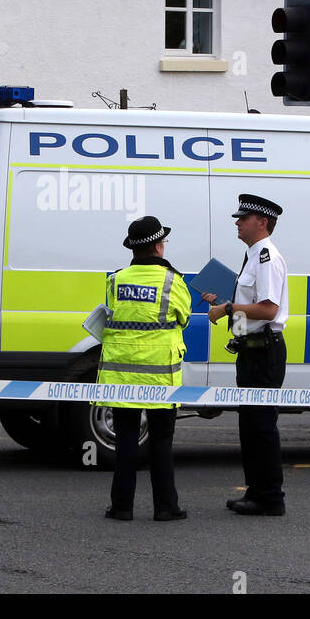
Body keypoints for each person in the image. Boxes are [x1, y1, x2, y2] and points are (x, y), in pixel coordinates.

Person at [96, 215, 191, 522]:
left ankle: (122, 507)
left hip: (121, 374)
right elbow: (184, 317)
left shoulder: (115, 280)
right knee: (162, 441)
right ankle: (166, 507)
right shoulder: (172, 281)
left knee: (125, 440)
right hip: (160, 375)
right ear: (158, 247)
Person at [203, 194, 288, 516]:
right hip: (252, 350)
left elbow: (268, 310)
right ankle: (257, 492)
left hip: (264, 352)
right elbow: (252, 307)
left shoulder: (266, 256)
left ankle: (269, 498)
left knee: (262, 426)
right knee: (251, 426)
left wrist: (227, 307)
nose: (237, 222)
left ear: (262, 222)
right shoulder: (253, 256)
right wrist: (228, 302)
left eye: (244, 218)